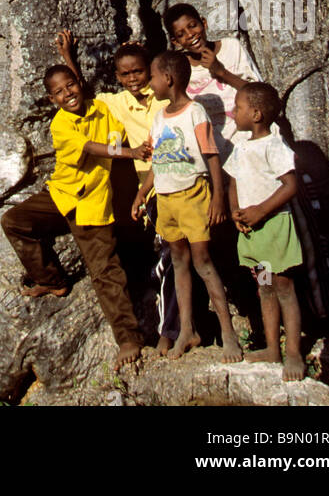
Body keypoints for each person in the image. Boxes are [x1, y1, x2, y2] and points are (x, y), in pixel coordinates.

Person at [1, 62, 149, 370]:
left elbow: (110, 138)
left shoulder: (100, 109)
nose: (67, 93)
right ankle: (52, 279)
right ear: (51, 98)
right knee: (15, 221)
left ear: (79, 83)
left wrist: (69, 56)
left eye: (70, 86)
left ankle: (128, 338)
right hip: (62, 195)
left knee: (105, 272)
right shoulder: (60, 124)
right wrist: (129, 153)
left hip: (93, 202)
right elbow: (93, 147)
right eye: (58, 92)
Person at [55, 30, 178, 354]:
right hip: (135, 183)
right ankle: (144, 321)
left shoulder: (163, 96)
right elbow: (79, 92)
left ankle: (173, 328)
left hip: (166, 178)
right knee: (130, 253)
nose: (133, 79)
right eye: (125, 74)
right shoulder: (117, 102)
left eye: (138, 72)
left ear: (150, 71)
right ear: (118, 77)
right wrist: (69, 56)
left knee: (174, 252)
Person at [132, 51, 243, 363]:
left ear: (167, 79)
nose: (150, 84)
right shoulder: (158, 117)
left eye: (152, 77)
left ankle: (229, 333)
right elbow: (156, 161)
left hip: (193, 194)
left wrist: (219, 197)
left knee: (203, 263)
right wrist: (143, 193)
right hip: (166, 199)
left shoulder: (195, 113)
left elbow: (211, 156)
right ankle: (186, 330)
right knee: (179, 262)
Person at [225, 82, 305, 381]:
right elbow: (234, 181)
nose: (234, 112)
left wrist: (261, 210)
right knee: (265, 287)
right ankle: (273, 349)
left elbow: (291, 185)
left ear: (256, 114)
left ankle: (294, 354)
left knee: (284, 289)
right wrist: (236, 211)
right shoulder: (242, 145)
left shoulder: (274, 145)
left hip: (274, 227)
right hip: (252, 232)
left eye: (239, 108)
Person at [163, 2, 259, 161]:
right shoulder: (179, 68)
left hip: (249, 140)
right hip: (215, 152)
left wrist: (221, 72)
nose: (190, 34)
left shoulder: (231, 47)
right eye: (181, 34)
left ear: (204, 23)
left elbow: (259, 94)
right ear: (175, 41)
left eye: (193, 26)